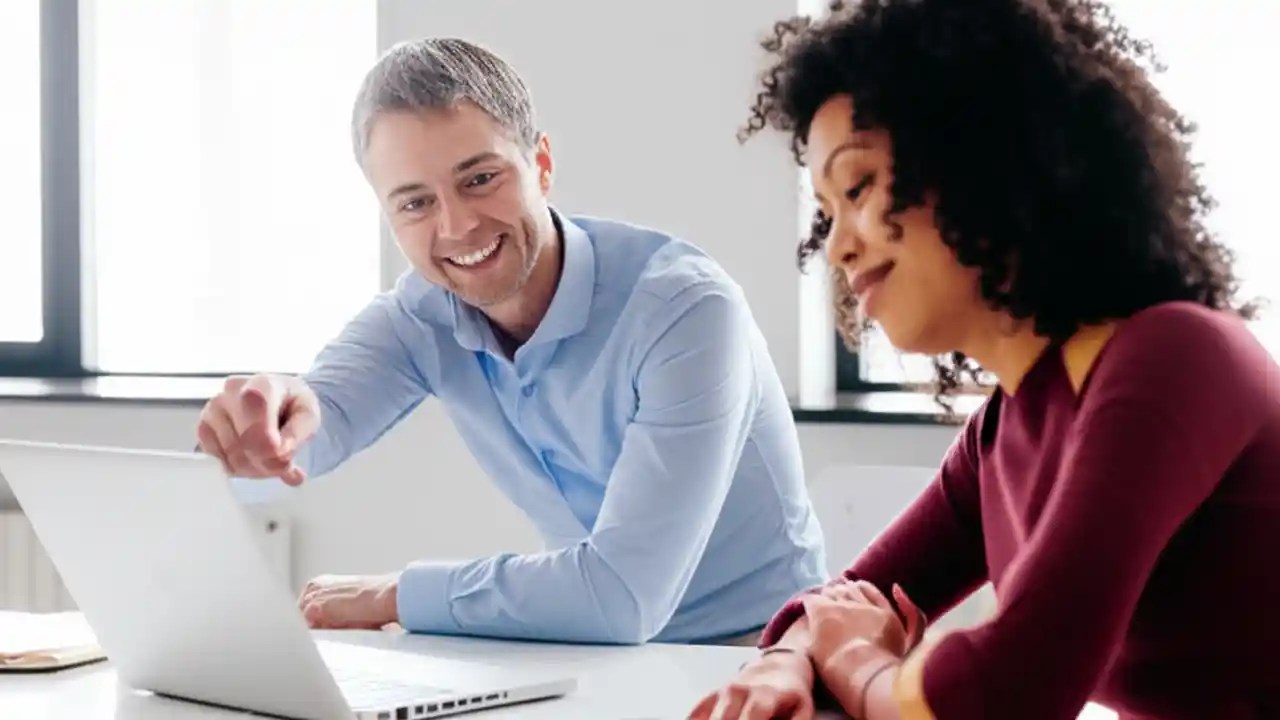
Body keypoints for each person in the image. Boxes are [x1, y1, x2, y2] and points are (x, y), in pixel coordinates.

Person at [692, 0, 1280, 717]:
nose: (839, 246)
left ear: (984, 159)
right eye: (826, 212)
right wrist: (782, 664)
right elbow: (842, 600)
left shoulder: (1175, 359)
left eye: (858, 188)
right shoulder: (1003, 431)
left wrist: (854, 659)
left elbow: (1009, 692)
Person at [193, 37, 826, 646]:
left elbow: (622, 596)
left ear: (541, 164)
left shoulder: (684, 311)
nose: (458, 225)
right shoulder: (422, 313)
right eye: (415, 203)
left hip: (759, 657)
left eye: (479, 179)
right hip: (584, 657)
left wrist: (395, 595)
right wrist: (264, 425)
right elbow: (316, 421)